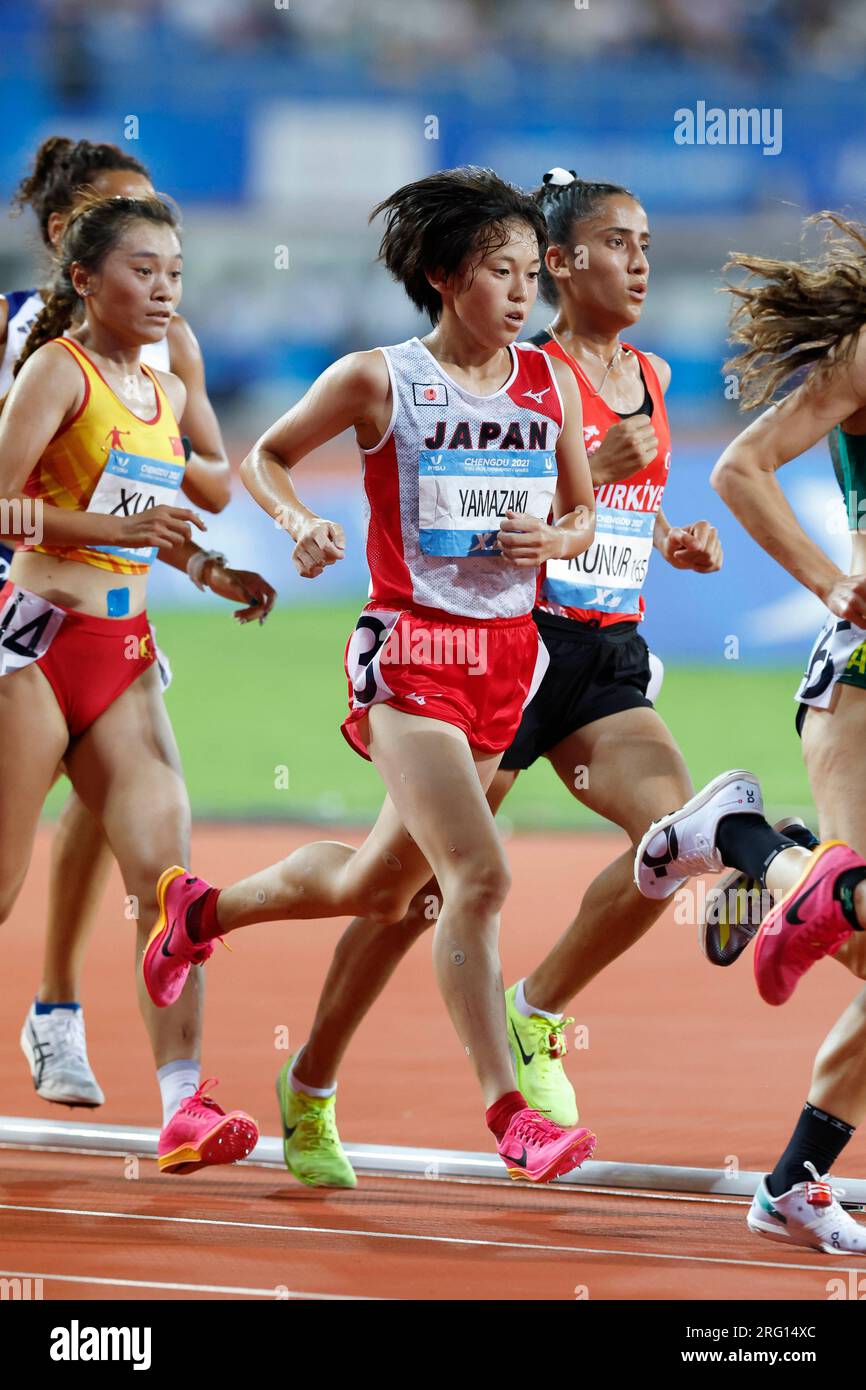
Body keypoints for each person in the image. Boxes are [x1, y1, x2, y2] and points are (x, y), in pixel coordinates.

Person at [218, 164, 731, 1191]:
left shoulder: (658, 377)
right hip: (500, 638)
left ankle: (533, 1013)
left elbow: (604, 509)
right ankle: (313, 1077)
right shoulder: (514, 364)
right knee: (403, 893)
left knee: (671, 841)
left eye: (643, 245)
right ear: (556, 260)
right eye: (614, 244)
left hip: (604, 654)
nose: (636, 262)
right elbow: (513, 461)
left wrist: (670, 533)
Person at [143, 166, 601, 1184]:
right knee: (474, 877)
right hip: (412, 654)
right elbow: (267, 455)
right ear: (444, 276)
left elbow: (581, 515)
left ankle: (199, 913)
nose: (522, 293)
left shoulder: (548, 382)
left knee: (375, 888)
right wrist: (302, 521)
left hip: (504, 660)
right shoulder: (377, 377)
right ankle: (509, 1112)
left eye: (532, 273)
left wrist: (551, 535)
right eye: (498, 271)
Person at [0, 192, 273, 1173]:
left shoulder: (159, 391)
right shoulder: (55, 372)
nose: (164, 289)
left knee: (173, 888)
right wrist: (118, 533)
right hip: (33, 650)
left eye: (174, 271)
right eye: (142, 270)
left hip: (124, 655)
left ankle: (182, 1104)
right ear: (84, 280)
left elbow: (152, 521)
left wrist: (208, 570)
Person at [660, 212, 866, 1255]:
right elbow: (738, 467)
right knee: (855, 907)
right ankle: (749, 846)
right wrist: (834, 579)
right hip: (862, 678)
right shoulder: (863, 354)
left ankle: (789, 1184)